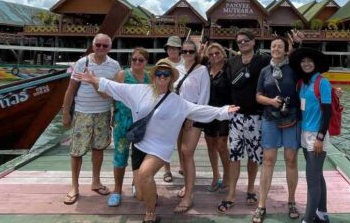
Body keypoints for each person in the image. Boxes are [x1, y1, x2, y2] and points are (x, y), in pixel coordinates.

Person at [78, 58, 239, 223]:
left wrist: (225, 111)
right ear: (154, 76)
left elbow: (201, 111)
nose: (162, 77)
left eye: (166, 74)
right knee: (140, 194)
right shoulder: (140, 91)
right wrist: (93, 80)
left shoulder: (177, 102)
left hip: (160, 148)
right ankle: (149, 193)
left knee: (144, 174)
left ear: (170, 78)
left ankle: (150, 214)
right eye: (159, 74)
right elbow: (114, 87)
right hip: (140, 145)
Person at [61, 33, 121, 205]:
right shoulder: (82, 63)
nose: (101, 48)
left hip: (103, 112)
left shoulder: (114, 65)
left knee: (99, 148)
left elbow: (116, 92)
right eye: (98, 44)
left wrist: (116, 113)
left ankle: (96, 181)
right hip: (82, 112)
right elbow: (71, 89)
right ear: (93, 45)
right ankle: (74, 186)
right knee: (76, 151)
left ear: (110, 47)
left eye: (105, 45)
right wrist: (66, 113)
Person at [219, 29, 270, 213]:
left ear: (254, 42)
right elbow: (223, 86)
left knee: (254, 156)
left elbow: (284, 66)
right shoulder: (232, 63)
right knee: (234, 156)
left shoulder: (263, 60)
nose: (242, 43)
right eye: (239, 41)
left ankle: (250, 189)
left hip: (256, 115)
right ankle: (231, 193)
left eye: (246, 40)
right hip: (237, 116)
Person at [253, 37, 301, 222]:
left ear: (285, 49)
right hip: (270, 119)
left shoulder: (294, 69)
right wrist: (271, 101)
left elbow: (307, 85)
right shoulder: (265, 70)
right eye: (273, 46)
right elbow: (258, 96)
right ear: (270, 49)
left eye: (280, 46)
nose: (276, 49)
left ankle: (291, 201)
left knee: (291, 160)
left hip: (291, 119)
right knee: (268, 160)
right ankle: (261, 204)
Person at [290, 47, 333, 223]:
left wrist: (320, 138)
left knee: (312, 179)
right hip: (304, 133)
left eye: (310, 61)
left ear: (315, 64)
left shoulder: (322, 82)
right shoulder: (302, 82)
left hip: (317, 135)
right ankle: (322, 213)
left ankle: (308, 219)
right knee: (317, 175)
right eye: (303, 61)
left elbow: (327, 112)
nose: (306, 64)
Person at [107, 47, 151, 207]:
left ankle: (135, 183)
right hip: (123, 120)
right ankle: (117, 190)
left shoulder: (148, 77)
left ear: (146, 61)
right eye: (134, 59)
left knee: (140, 155)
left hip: (141, 122)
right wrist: (112, 116)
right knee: (120, 155)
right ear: (130, 60)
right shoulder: (122, 75)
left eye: (141, 60)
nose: (137, 62)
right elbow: (113, 95)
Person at [173, 40, 210, 213]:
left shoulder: (202, 70)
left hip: (193, 116)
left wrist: (193, 116)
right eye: (184, 51)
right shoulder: (178, 70)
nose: (187, 54)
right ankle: (187, 186)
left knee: (188, 152)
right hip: (177, 115)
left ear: (196, 53)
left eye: (190, 51)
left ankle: (189, 195)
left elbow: (204, 96)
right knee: (181, 152)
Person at [198, 42, 231, 194]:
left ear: (223, 54)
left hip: (223, 111)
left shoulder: (228, 69)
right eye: (211, 54)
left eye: (217, 53)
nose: (214, 56)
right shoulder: (205, 70)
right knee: (210, 145)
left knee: (222, 145)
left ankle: (227, 176)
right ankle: (215, 176)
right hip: (208, 111)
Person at [162, 35, 183, 183]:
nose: (172, 50)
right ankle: (167, 170)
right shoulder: (162, 63)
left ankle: (183, 166)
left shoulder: (186, 61)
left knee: (182, 139)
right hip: (166, 104)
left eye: (175, 48)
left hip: (181, 104)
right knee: (166, 138)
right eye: (169, 48)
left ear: (179, 49)